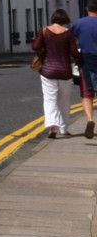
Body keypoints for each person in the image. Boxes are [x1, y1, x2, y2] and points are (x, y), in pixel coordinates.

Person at [34, 9, 79, 139]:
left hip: (48, 70)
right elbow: (74, 53)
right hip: (64, 70)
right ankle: (63, 129)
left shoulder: (44, 31)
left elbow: (35, 46)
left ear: (53, 18)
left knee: (50, 99)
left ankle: (52, 126)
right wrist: (80, 62)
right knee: (64, 100)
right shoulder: (68, 33)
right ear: (65, 20)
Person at [72, 0, 97, 140]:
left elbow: (72, 42)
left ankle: (90, 120)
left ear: (87, 9)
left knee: (87, 94)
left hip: (86, 61)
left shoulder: (79, 24)